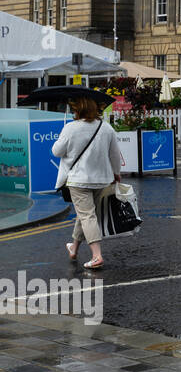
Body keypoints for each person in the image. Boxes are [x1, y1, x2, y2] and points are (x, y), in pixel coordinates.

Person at [52, 97, 122, 271]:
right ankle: (74, 247)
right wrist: (117, 173)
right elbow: (115, 154)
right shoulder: (106, 128)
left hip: (78, 179)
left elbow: (57, 151)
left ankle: (97, 256)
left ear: (79, 110)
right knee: (86, 214)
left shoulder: (70, 128)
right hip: (101, 179)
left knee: (87, 215)